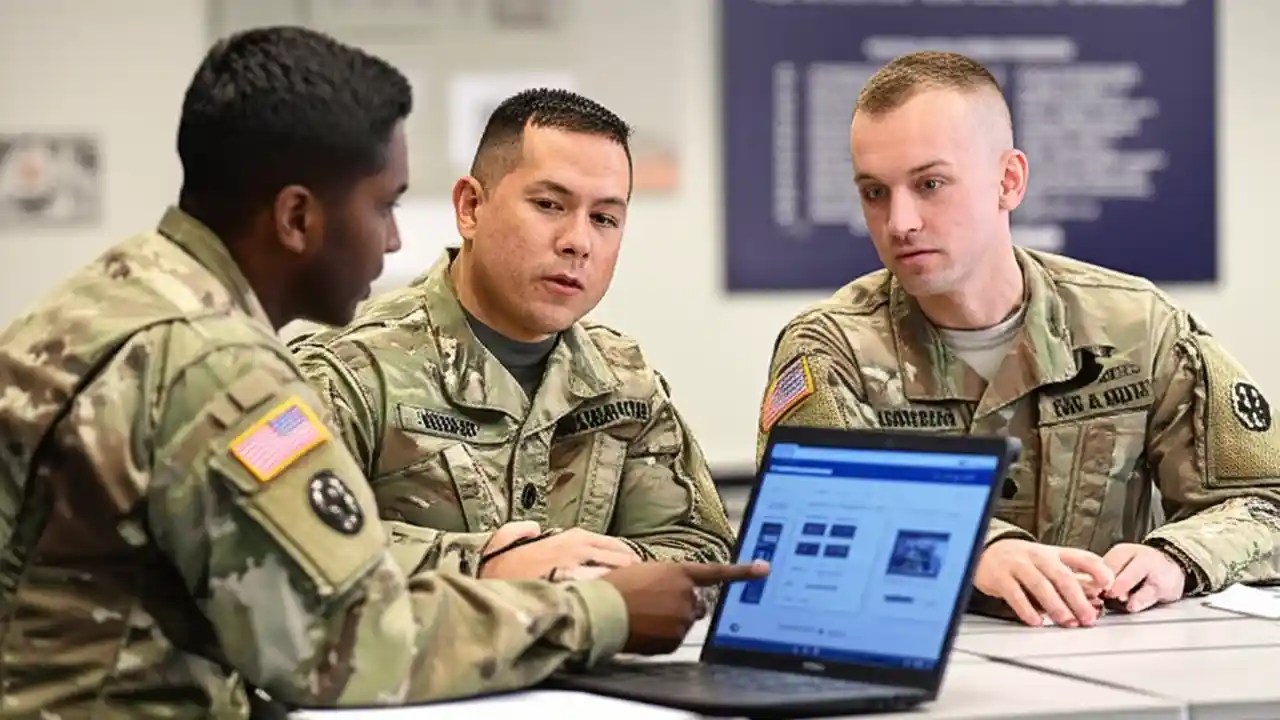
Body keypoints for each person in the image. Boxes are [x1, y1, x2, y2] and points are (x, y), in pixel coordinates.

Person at [0, 27, 767, 718]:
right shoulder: (219, 366)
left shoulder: (125, 296)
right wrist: (593, 608)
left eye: (605, 216)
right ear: (298, 218)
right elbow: (336, 639)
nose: (396, 241)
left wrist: (605, 569)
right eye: (384, 205)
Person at [757, 50, 1280, 630]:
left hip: (1112, 659)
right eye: (875, 192)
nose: (900, 221)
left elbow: (1265, 501)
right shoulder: (833, 350)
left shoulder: (1135, 327)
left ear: (1008, 181)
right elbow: (803, 525)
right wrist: (975, 549)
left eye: (930, 184)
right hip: (923, 669)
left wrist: (1177, 558)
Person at [288, 88, 735, 583]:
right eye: (549, 204)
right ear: (471, 208)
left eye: (604, 219)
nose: (578, 242)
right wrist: (483, 564)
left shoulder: (625, 382)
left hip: (599, 659)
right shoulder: (348, 374)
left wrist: (590, 574)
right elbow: (285, 543)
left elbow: (702, 550)